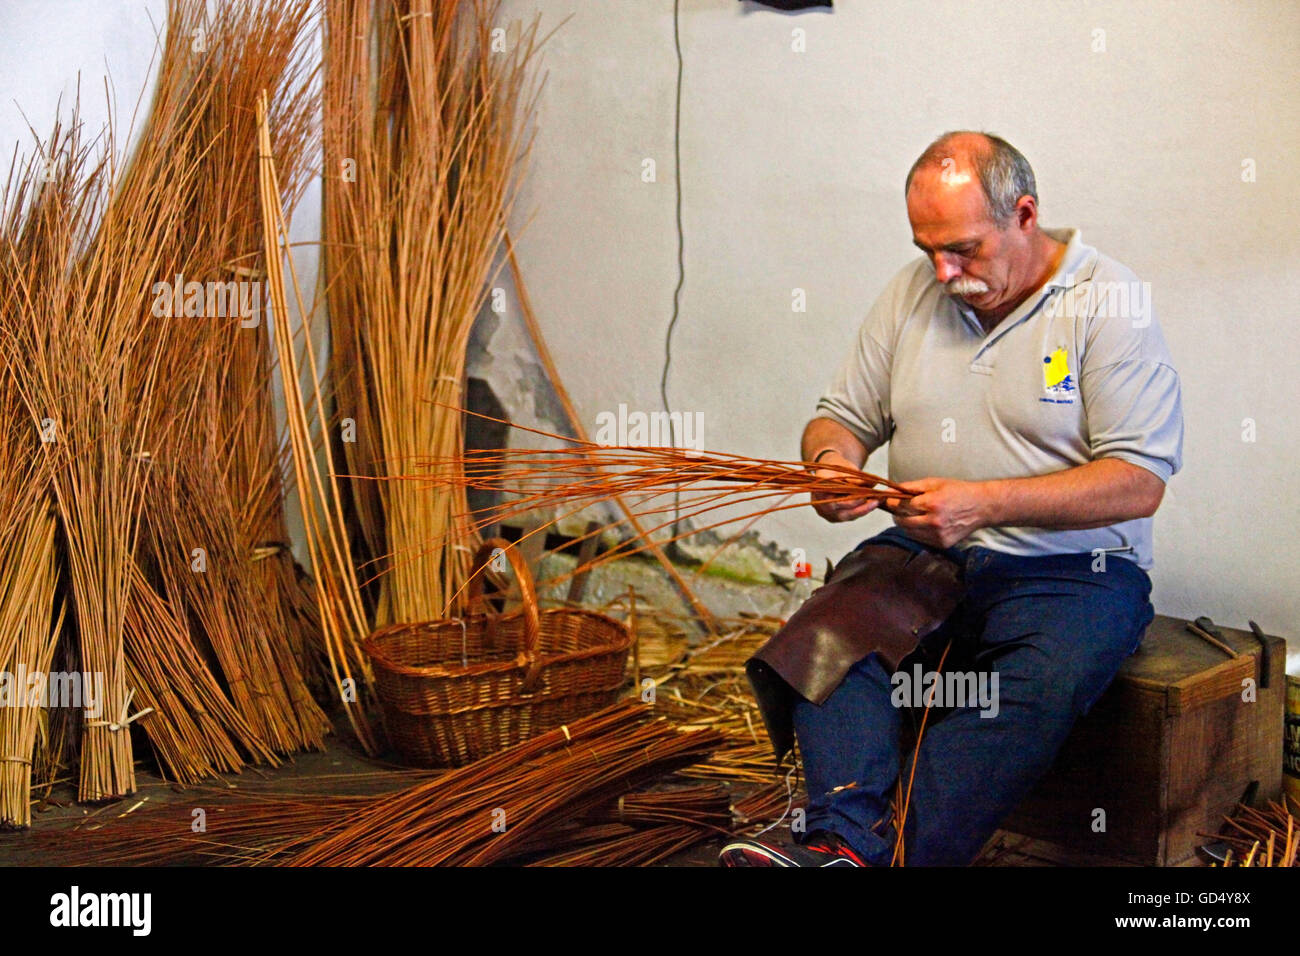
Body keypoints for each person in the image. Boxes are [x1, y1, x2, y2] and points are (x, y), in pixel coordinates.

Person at [720, 131, 1184, 867]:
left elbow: (1139, 480)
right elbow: (840, 415)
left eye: (963, 248)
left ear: (1025, 216)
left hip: (1071, 569)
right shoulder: (913, 290)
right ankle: (839, 837)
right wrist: (830, 463)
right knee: (825, 635)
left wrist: (984, 503)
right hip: (925, 548)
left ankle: (894, 858)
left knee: (1033, 689)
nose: (943, 270)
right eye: (926, 247)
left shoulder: (1108, 303)